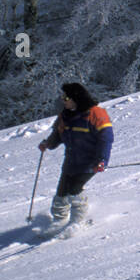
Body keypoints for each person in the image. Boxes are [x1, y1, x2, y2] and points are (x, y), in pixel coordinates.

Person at [38, 82, 113, 227]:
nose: (63, 100)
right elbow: (57, 135)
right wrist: (48, 143)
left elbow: (106, 139)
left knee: (74, 190)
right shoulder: (65, 116)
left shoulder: (96, 114)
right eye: (63, 97)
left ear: (76, 98)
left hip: (90, 162)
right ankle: (58, 222)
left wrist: (102, 160)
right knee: (61, 192)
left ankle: (78, 221)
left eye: (66, 98)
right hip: (71, 161)